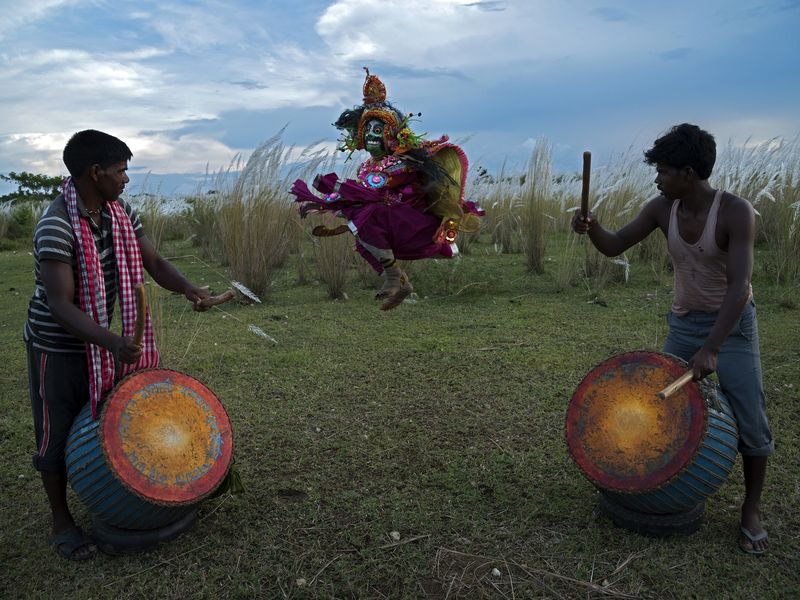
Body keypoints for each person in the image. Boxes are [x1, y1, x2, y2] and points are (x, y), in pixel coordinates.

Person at [571, 123, 774, 554]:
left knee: (750, 418)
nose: (657, 178)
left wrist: (713, 348)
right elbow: (614, 245)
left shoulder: (737, 212)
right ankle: (654, 488)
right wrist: (592, 227)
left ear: (688, 172)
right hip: (684, 325)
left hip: (732, 326)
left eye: (663, 171)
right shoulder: (663, 209)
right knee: (663, 408)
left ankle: (751, 508)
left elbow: (739, 286)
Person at [25, 129, 214, 560]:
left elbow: (156, 262)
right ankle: (62, 523)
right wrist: (112, 341)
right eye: (120, 171)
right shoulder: (55, 226)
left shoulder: (120, 210)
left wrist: (190, 290)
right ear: (96, 173)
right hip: (57, 345)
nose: (126, 179)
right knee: (55, 433)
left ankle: (114, 494)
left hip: (102, 339)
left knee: (111, 420)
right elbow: (59, 304)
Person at [290, 68, 483, 310]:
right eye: (368, 130)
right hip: (386, 223)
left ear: (391, 136)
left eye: (378, 131)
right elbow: (357, 196)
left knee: (369, 215)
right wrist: (322, 203)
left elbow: (368, 194)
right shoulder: (366, 166)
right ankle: (400, 281)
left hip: (409, 224)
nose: (372, 136)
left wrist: (329, 201)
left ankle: (393, 278)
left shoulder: (400, 162)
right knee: (361, 234)